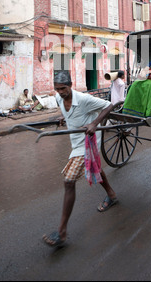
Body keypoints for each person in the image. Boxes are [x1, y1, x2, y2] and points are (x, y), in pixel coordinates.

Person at [42, 71, 117, 248]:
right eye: (57, 89)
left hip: (88, 142)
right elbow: (69, 113)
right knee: (95, 168)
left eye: (63, 88)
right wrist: (64, 117)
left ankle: (62, 232)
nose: (60, 92)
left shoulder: (83, 99)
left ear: (70, 85)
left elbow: (109, 105)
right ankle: (112, 195)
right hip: (76, 142)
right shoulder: (59, 99)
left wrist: (94, 123)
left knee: (69, 181)